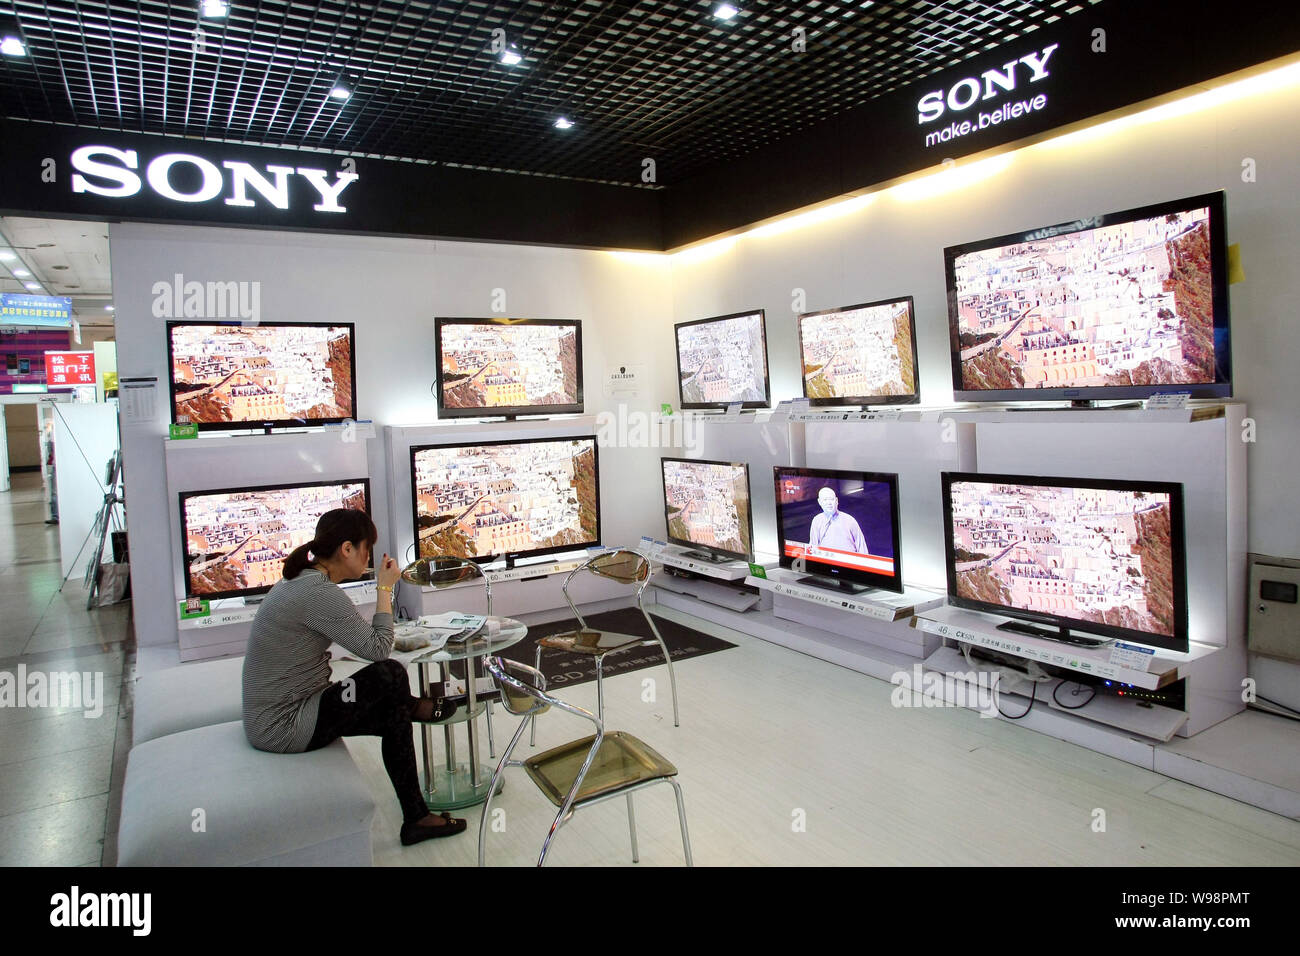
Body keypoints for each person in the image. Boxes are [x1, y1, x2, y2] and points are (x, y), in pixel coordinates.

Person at [243, 508, 466, 846]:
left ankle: (417, 816)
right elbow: (378, 649)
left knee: (394, 710)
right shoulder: (318, 593)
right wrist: (385, 590)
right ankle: (417, 711)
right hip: (285, 724)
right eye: (366, 548)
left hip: (287, 711)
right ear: (346, 549)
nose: (369, 557)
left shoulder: (302, 580)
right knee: (389, 674)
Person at [807, 486, 868, 554]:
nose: (829, 503)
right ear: (819, 502)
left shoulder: (850, 520)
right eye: (825, 500)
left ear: (836, 501)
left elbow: (862, 548)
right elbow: (813, 547)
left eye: (831, 499)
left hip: (847, 562)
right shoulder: (817, 520)